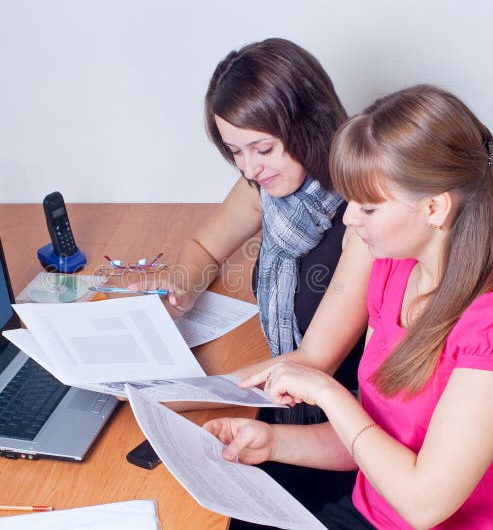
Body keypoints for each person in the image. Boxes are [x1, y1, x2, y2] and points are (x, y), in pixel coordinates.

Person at [204, 84, 493, 529]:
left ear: (434, 208)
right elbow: (374, 440)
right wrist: (272, 441)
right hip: (374, 512)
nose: (349, 218)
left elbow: (423, 503)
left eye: (368, 208)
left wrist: (327, 392)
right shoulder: (394, 270)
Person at [134, 38, 374, 517]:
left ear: (309, 126)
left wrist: (172, 397)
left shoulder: (365, 211)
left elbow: (312, 362)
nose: (248, 167)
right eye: (235, 151)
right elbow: (203, 247)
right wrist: (182, 285)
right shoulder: (265, 182)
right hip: (285, 401)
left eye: (262, 148)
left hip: (346, 430)